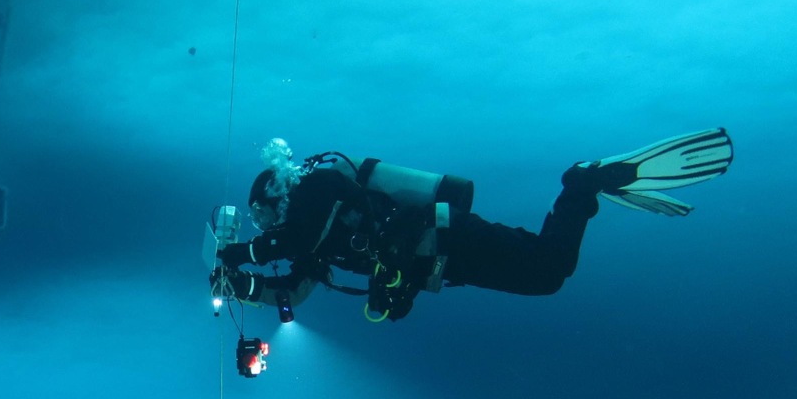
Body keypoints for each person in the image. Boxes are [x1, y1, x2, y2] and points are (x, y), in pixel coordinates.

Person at [211, 128, 733, 322]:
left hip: (444, 235)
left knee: (547, 271)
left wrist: (237, 254)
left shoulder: (321, 187)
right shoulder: (311, 241)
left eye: (263, 212)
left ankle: (581, 184)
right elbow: (292, 292)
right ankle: (582, 190)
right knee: (547, 275)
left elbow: (293, 238)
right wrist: (243, 287)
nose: (266, 222)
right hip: (444, 260)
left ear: (279, 190)